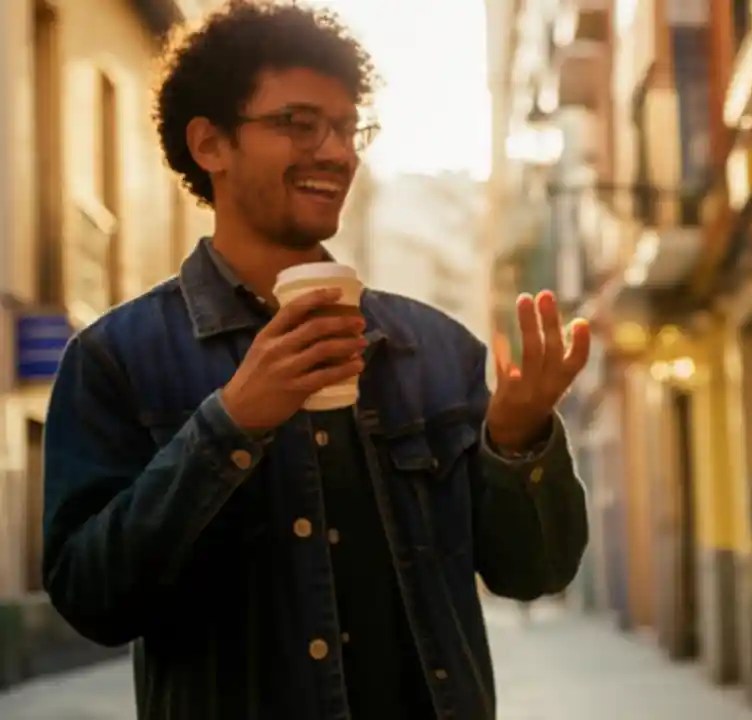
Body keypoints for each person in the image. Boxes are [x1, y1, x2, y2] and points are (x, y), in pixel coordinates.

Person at [40, 3, 589, 719]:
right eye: (299, 123)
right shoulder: (116, 360)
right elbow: (92, 599)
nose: (335, 151)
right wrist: (230, 426)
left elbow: (533, 572)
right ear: (210, 144)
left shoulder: (435, 351)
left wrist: (516, 443)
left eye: (347, 127)